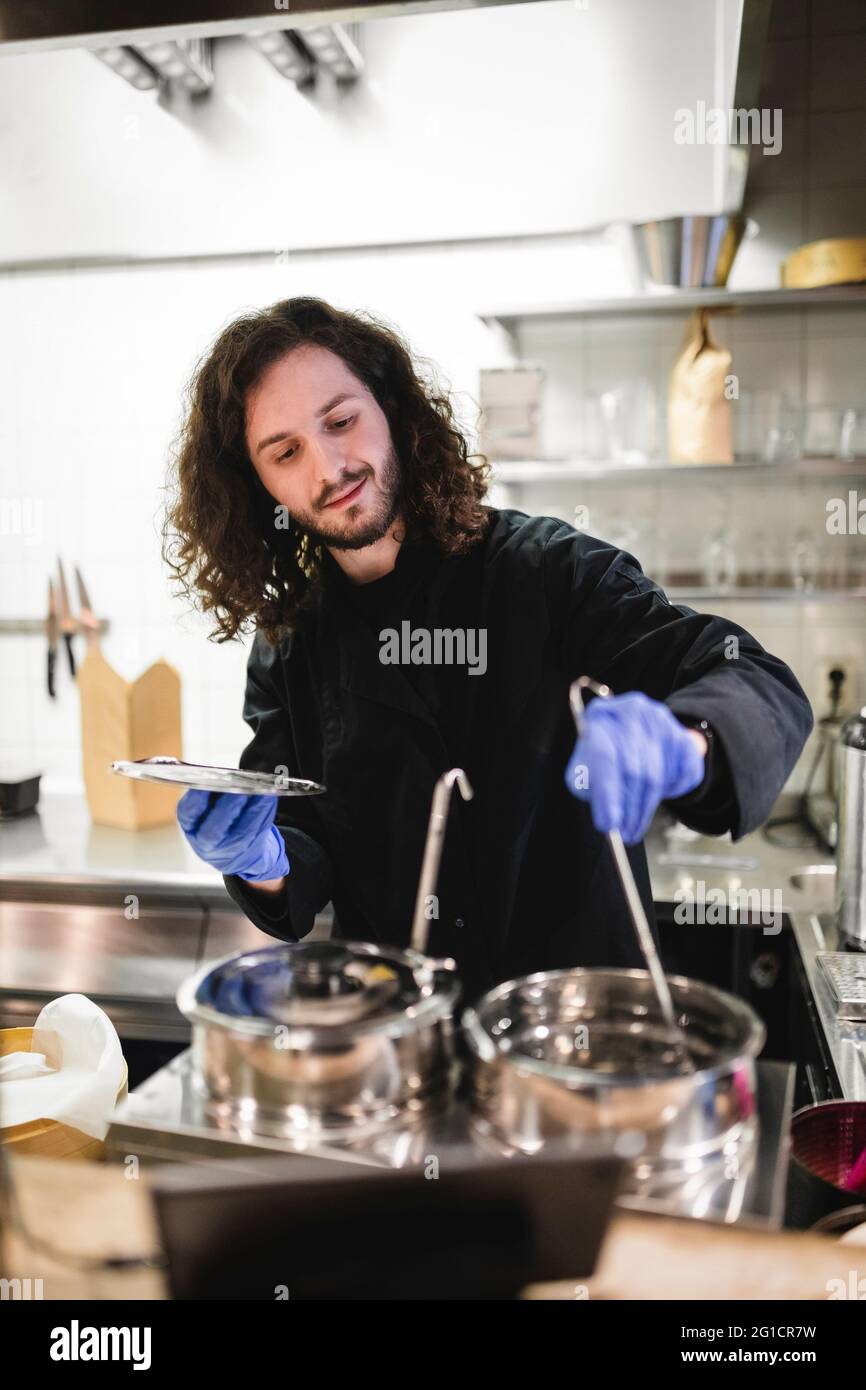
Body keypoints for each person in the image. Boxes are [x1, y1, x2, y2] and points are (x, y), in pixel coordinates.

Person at [164, 297, 812, 1003]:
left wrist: (690, 742)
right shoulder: (290, 643)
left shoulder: (546, 573)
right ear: (258, 485)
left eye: (342, 420)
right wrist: (260, 858)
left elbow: (752, 676)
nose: (330, 465)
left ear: (391, 410)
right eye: (285, 451)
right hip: (403, 1035)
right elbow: (304, 839)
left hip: (577, 1029)